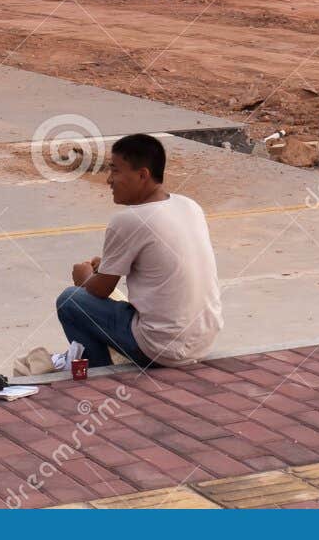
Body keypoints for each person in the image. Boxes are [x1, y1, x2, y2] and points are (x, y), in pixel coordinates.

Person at [56, 134, 222, 369]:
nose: (108, 180)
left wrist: (83, 276)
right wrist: (107, 264)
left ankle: (99, 371)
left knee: (71, 300)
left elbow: (101, 290)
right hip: (204, 340)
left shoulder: (128, 220)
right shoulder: (189, 205)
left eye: (115, 171)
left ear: (142, 175)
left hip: (161, 347)